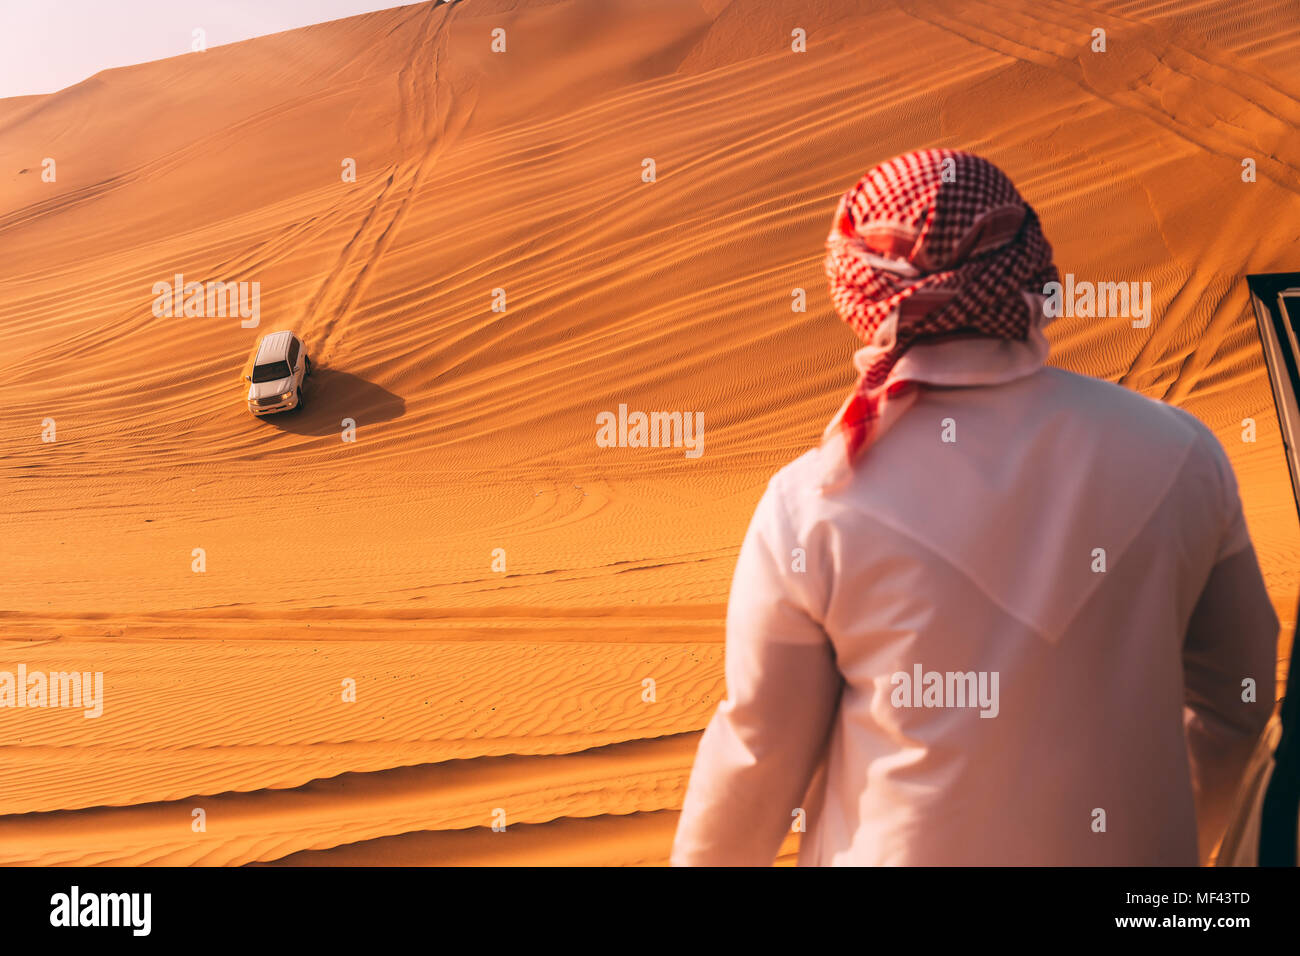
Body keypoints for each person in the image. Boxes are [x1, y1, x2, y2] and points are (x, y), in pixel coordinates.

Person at [670, 148, 1279, 866]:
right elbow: (1237, 707)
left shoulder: (816, 502)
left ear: (858, 290)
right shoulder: (1181, 453)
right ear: (1032, 270)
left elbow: (758, 759)